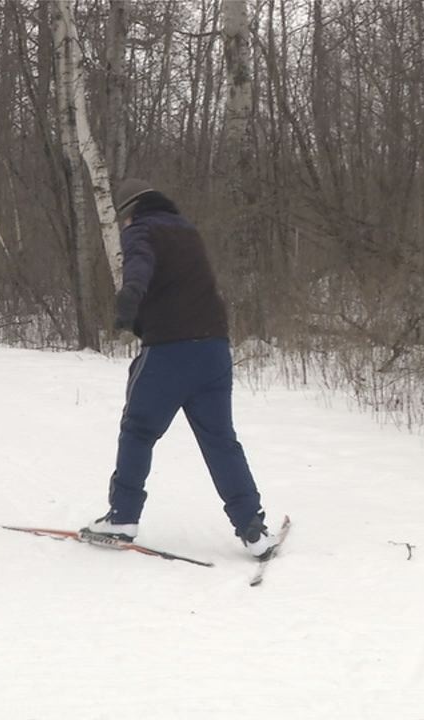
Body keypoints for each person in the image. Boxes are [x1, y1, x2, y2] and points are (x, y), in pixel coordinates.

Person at [84, 178, 278, 559]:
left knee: (138, 430)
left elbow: (139, 265)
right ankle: (252, 528)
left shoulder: (141, 230)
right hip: (214, 350)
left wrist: (129, 298)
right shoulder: (188, 232)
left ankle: (123, 517)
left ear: (129, 213)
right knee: (220, 440)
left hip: (170, 352)